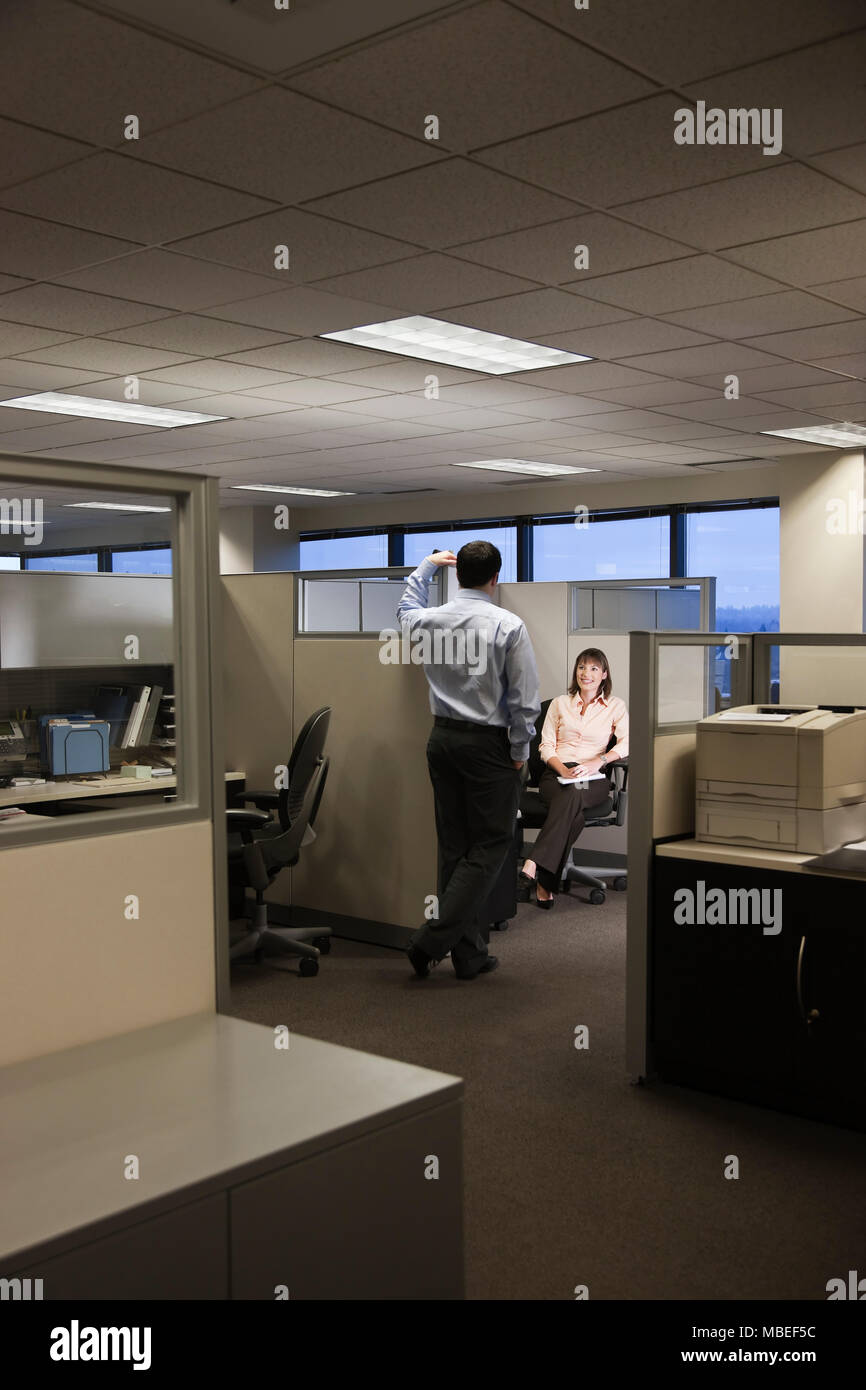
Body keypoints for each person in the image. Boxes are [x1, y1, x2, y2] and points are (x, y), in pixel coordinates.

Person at [397, 540, 540, 980]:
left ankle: (469, 955)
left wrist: (424, 567)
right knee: (491, 847)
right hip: (488, 747)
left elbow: (404, 613)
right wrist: (519, 753)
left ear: (458, 576)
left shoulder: (431, 619)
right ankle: (431, 941)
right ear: (496, 578)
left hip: (442, 741)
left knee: (454, 848)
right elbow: (524, 701)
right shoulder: (508, 626)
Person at [519, 648, 628, 909]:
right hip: (556, 772)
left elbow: (626, 744)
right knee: (574, 811)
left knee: (575, 794)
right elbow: (545, 747)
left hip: (593, 776)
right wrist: (562, 769)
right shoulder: (559, 704)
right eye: (581, 667)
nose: (586, 673)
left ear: (604, 674)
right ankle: (546, 882)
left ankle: (534, 862)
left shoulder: (615, 706)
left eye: (593, 668)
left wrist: (596, 762)